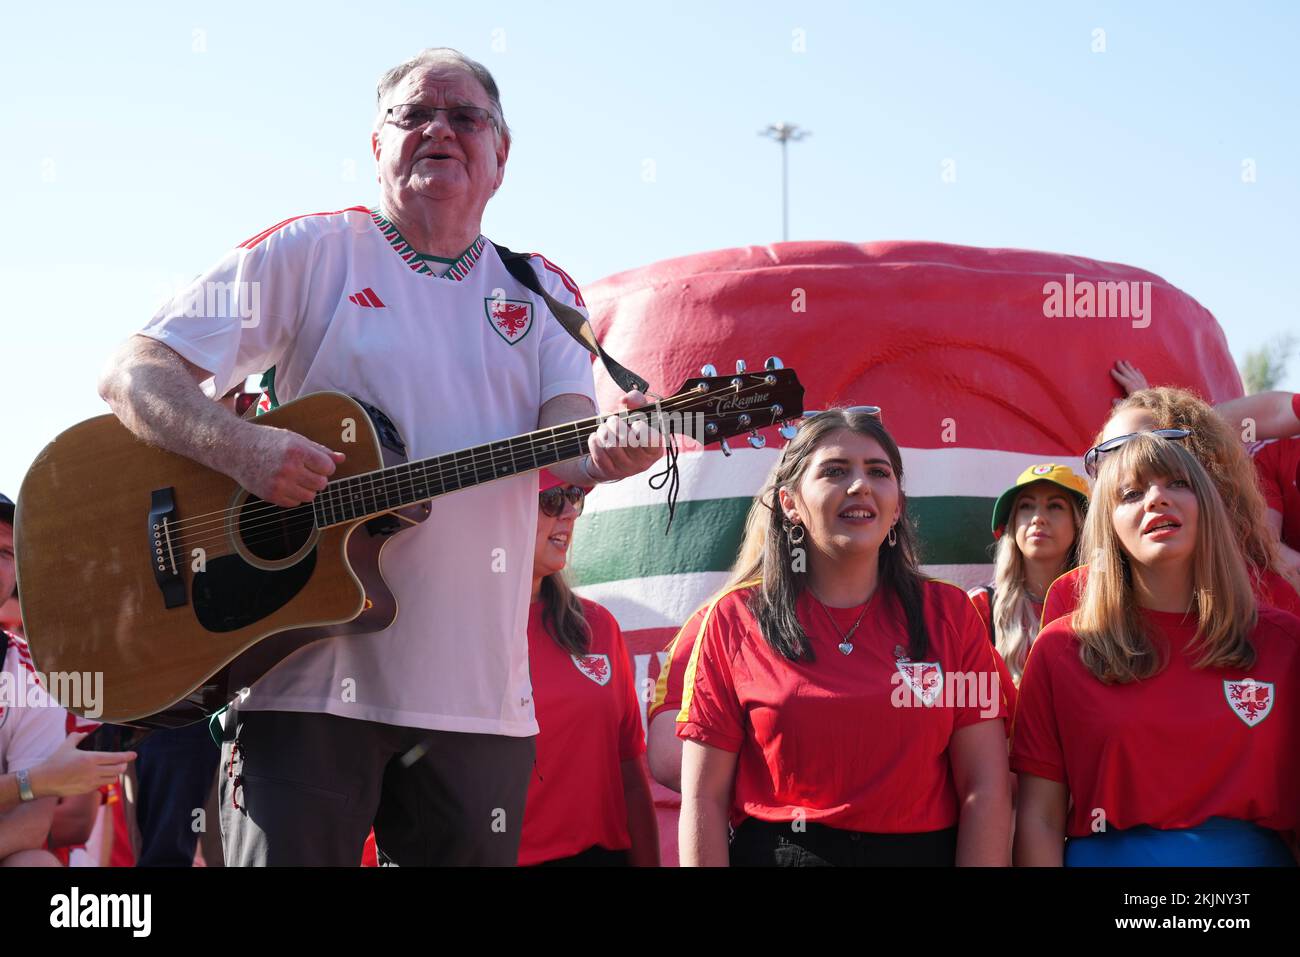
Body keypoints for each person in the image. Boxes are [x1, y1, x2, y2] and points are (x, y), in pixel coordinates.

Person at [96, 48, 661, 866]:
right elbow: (133, 370)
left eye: (466, 117)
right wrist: (245, 448)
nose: (440, 129)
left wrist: (615, 450)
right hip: (302, 685)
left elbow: (571, 440)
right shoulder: (309, 251)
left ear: (502, 155)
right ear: (376, 145)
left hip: (479, 704)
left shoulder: (543, 291)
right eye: (414, 115)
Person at [677, 409, 1011, 866]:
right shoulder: (733, 618)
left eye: (879, 472)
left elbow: (985, 787)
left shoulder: (951, 614)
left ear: (897, 506)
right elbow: (703, 800)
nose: (860, 485)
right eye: (835, 471)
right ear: (790, 502)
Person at [1012, 433, 1300, 866]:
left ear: (1208, 506)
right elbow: (1040, 818)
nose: (1157, 499)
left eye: (1178, 483)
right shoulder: (1059, 649)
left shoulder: (1286, 644)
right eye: (1131, 493)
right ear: (1108, 524)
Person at [1041, 387, 1300, 624]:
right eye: (1112, 452)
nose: (1153, 496)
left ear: (1207, 473)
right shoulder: (1070, 596)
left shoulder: (1273, 599)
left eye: (1160, 445)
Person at [518, 470, 659, 866]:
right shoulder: (446, 629)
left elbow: (629, 769)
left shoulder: (595, 625)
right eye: (551, 500)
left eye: (575, 496)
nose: (569, 513)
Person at [1, 494, 135, 864]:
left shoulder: (45, 677)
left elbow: (67, 823)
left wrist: (36, 784)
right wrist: (33, 781)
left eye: (6, 553)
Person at [966, 465, 1088, 707]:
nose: (1038, 518)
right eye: (1026, 506)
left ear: (1080, 523)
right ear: (1011, 525)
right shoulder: (979, 606)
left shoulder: (1107, 605)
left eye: (1055, 506)